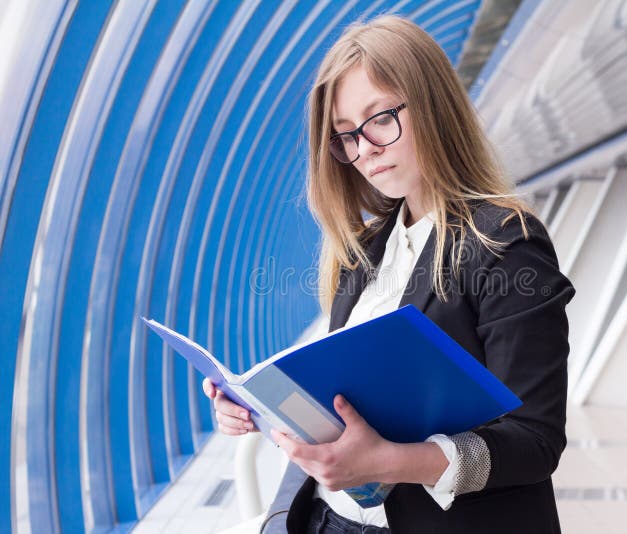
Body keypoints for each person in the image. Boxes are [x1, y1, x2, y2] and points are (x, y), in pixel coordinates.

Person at [203, 15, 574, 534]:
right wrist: (259, 407)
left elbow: (534, 442)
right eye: (346, 135)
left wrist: (391, 461)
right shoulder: (364, 251)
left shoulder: (506, 244)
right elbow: (343, 407)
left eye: (380, 119)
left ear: (434, 106)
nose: (366, 149)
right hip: (326, 518)